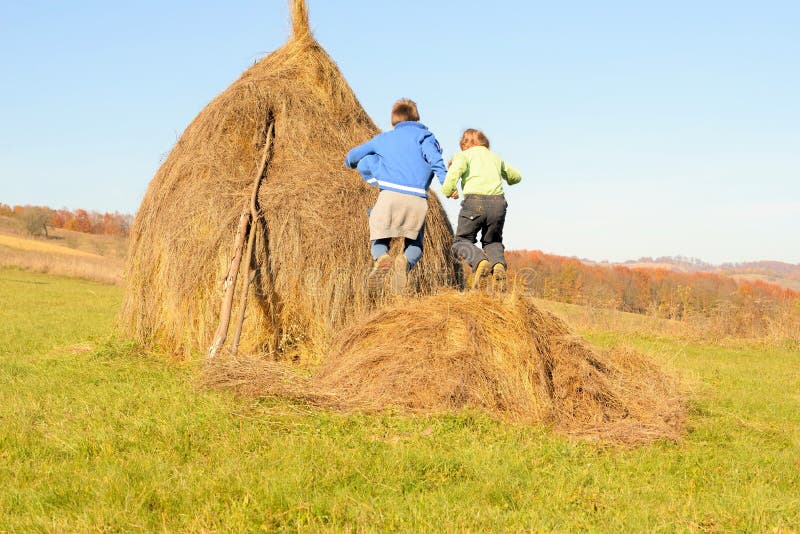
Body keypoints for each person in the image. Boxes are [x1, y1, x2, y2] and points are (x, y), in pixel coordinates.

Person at [345, 98, 447, 293]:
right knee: (415, 244)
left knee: (380, 237)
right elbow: (435, 159)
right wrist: (446, 182)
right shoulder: (425, 138)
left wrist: (351, 163)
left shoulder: (383, 139)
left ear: (393, 121)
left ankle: (382, 257)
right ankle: (405, 262)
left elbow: (353, 156)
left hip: (389, 197)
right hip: (417, 200)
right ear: (417, 118)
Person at [441, 129, 522, 290]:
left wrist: (448, 190)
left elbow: (454, 172)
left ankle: (479, 262)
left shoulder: (463, 156)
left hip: (474, 202)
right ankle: (498, 265)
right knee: (493, 241)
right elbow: (516, 176)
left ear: (465, 145)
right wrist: (507, 178)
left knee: (460, 241)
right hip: (498, 203)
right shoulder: (495, 158)